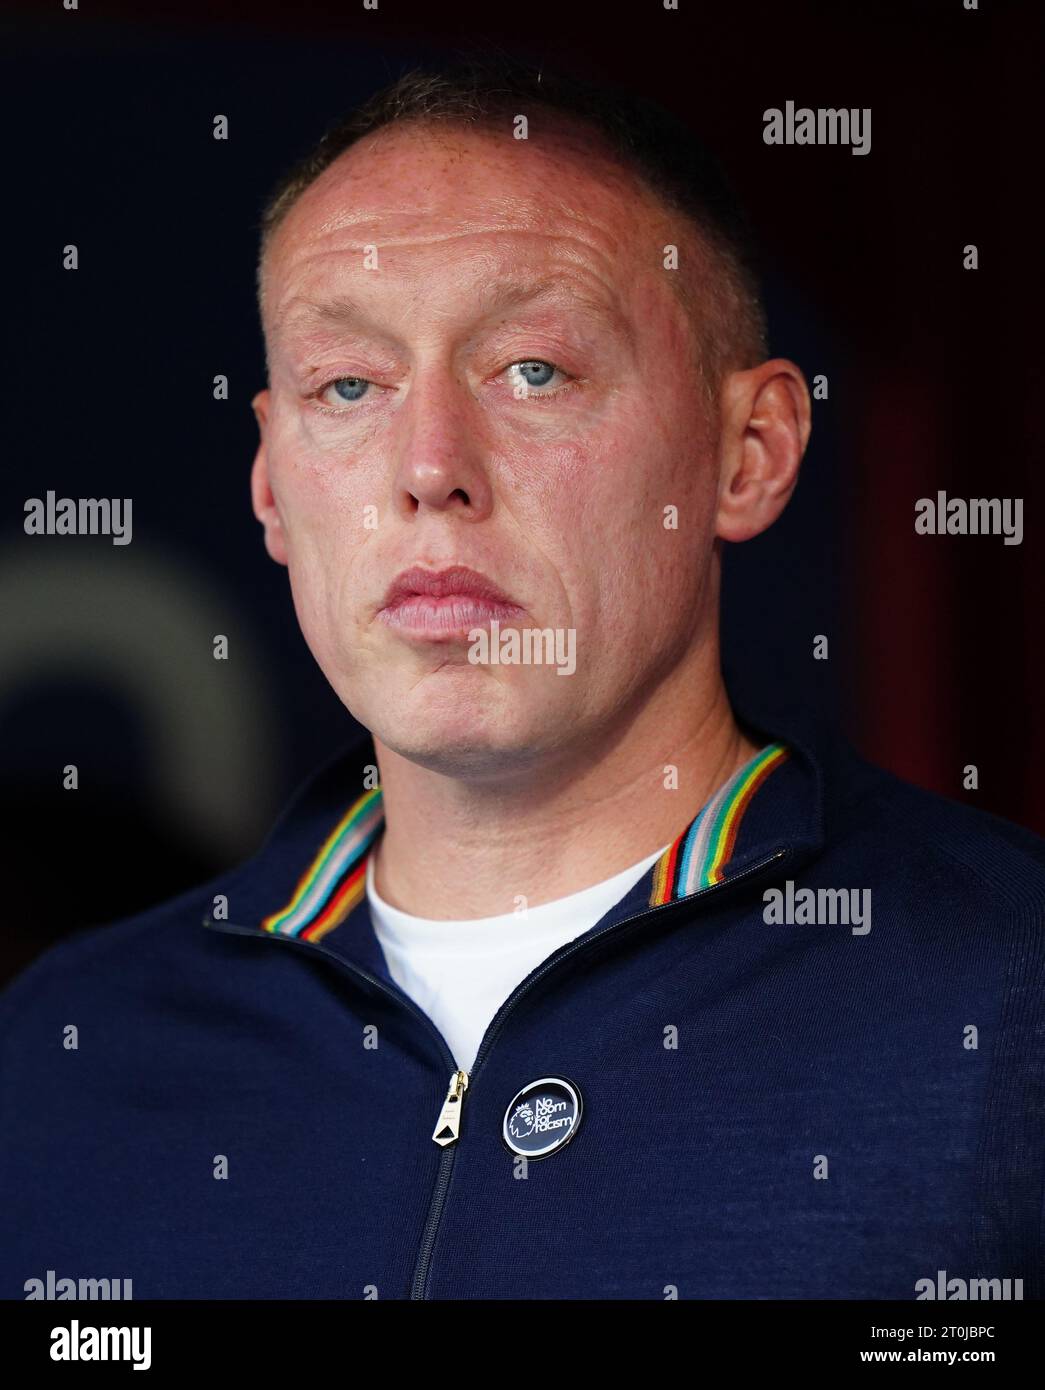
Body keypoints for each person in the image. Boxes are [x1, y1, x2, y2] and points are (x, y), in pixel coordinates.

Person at [3, 59, 1043, 1302]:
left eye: (533, 370)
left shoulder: (1009, 990)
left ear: (748, 452)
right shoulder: (67, 1051)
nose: (430, 467)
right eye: (351, 387)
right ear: (275, 486)